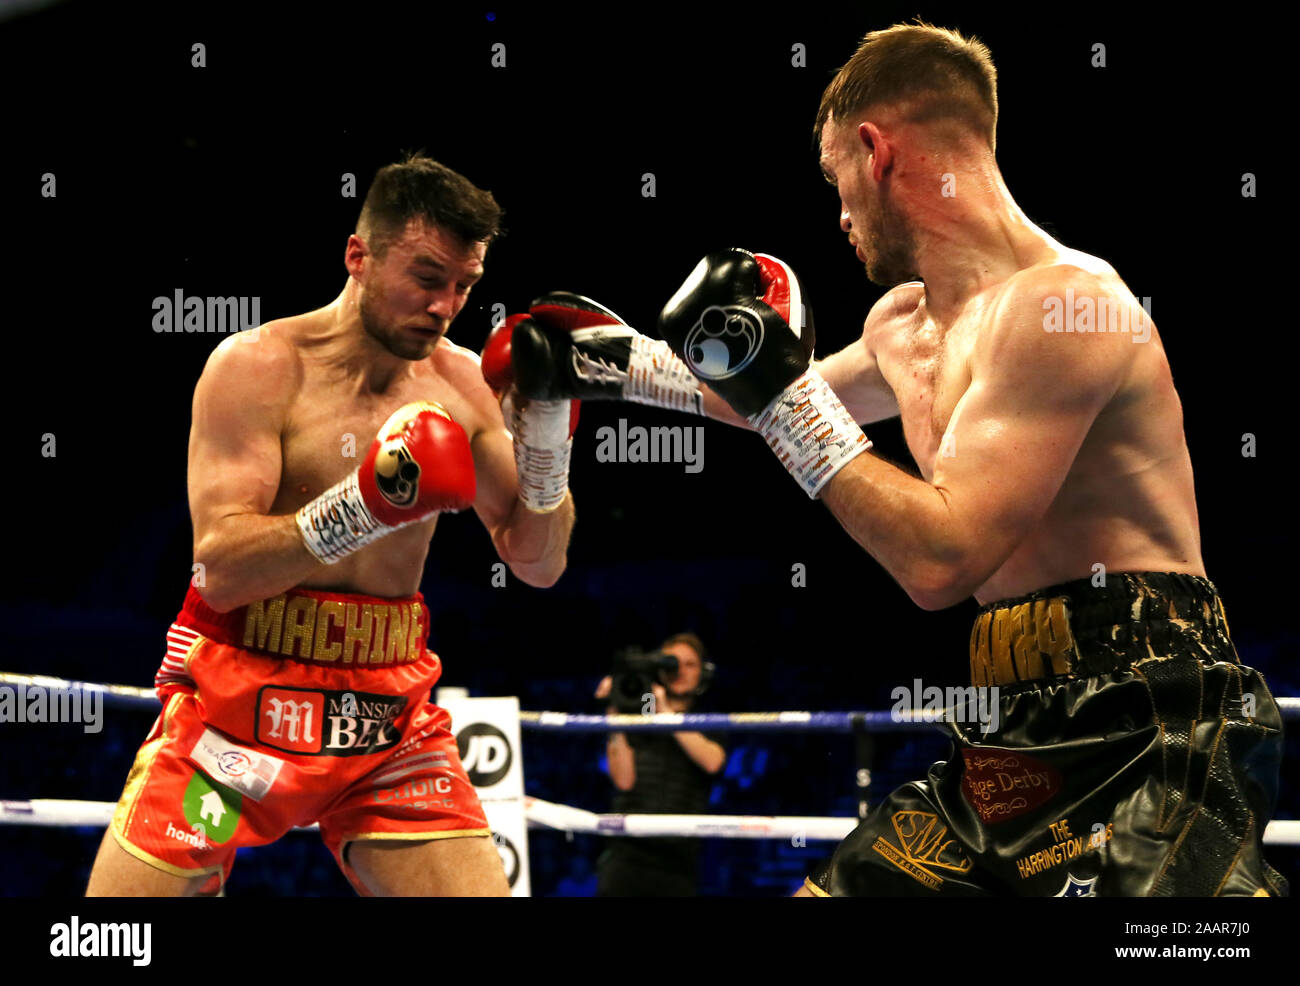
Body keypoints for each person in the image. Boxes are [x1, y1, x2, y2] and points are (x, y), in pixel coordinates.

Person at [512, 23, 1286, 897]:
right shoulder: (900, 326)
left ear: (875, 151)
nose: (838, 214)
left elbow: (940, 556)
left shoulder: (1068, 307)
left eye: (834, 177)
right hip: (1009, 730)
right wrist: (598, 361)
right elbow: (758, 399)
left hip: (1153, 719)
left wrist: (777, 388)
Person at [86, 153, 578, 897]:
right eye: (426, 277)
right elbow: (220, 571)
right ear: (359, 255)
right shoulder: (256, 368)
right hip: (233, 719)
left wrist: (546, 441)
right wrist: (365, 505)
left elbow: (540, 563)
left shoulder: (464, 384)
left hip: (384, 724)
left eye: (464, 286)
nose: (446, 305)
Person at [592, 633, 726, 896]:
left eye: (690, 665)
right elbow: (623, 780)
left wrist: (665, 712)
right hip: (627, 853)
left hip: (679, 859)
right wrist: (613, 716)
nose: (680, 671)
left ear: (704, 673)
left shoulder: (710, 720)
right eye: (672, 663)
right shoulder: (637, 714)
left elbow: (713, 762)